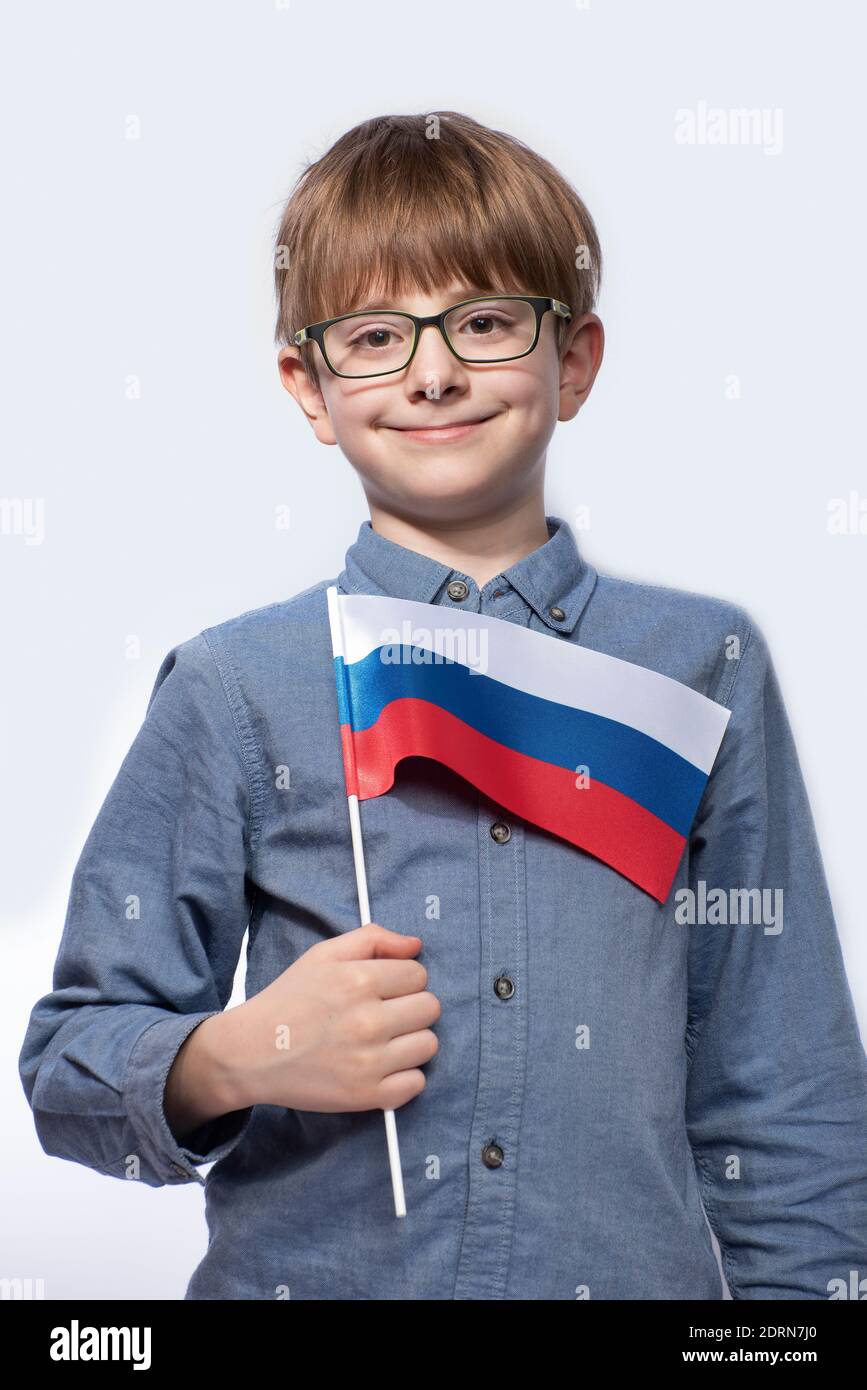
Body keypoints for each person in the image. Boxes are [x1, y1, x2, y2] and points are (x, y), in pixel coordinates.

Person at [19, 111, 867, 1300]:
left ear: (572, 360)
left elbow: (783, 1082)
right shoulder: (236, 686)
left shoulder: (700, 667)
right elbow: (65, 1064)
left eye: (482, 322)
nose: (432, 371)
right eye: (373, 336)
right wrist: (248, 1046)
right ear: (308, 388)